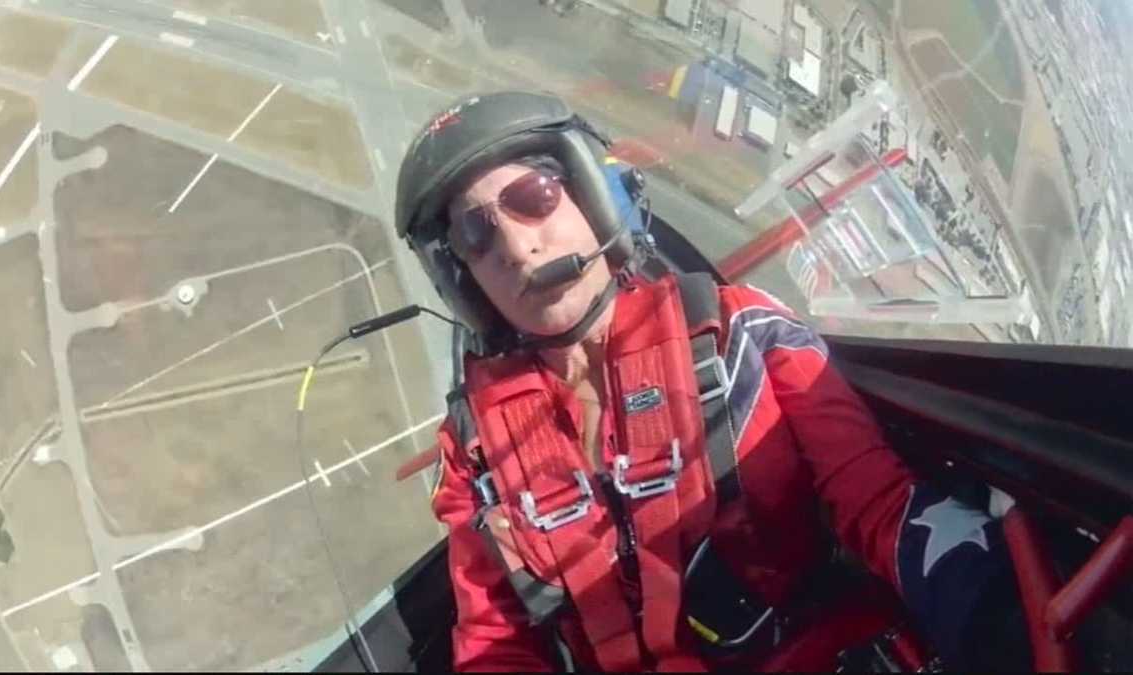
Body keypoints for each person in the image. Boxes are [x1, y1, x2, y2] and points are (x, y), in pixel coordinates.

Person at [394, 91, 1027, 672]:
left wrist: (986, 610)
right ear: (463, 278)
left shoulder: (739, 333)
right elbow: (494, 641)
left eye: (534, 197)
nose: (514, 246)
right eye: (474, 234)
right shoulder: (474, 445)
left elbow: (878, 502)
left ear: (590, 195)